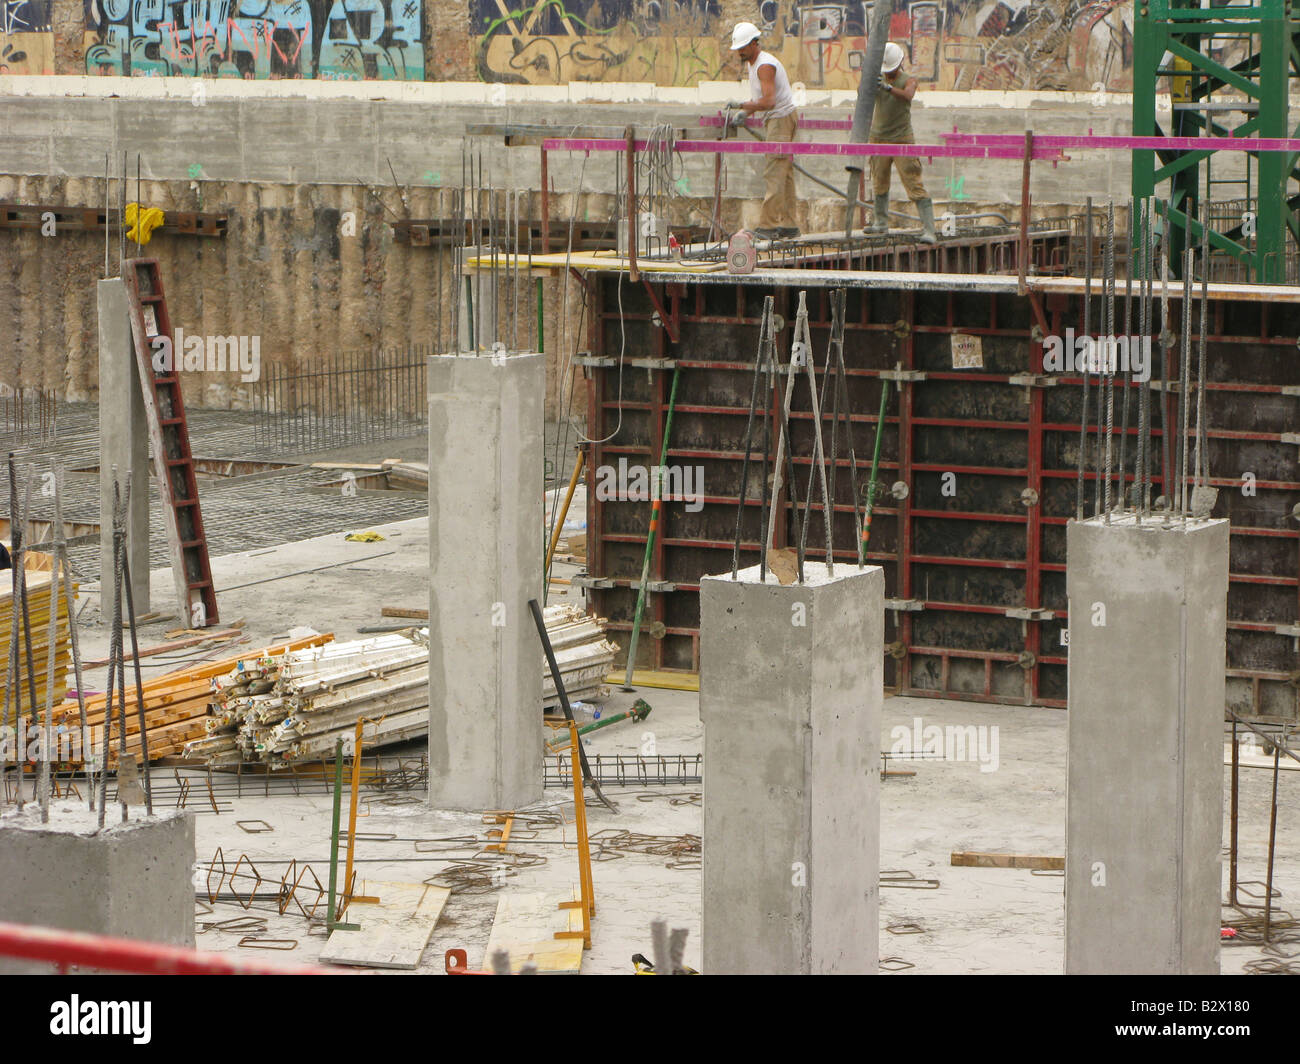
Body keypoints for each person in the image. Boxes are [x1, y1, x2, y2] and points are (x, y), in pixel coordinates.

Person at [728, 22, 799, 240]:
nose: (740, 51)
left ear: (754, 43)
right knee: (784, 174)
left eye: (743, 47)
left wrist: (741, 106)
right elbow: (764, 99)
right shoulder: (755, 63)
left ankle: (768, 226)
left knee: (774, 172)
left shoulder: (764, 66)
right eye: (738, 47)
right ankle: (789, 224)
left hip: (779, 119)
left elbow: (769, 101)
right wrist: (747, 113)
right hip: (780, 118)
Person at [869, 41, 936, 244]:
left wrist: (887, 87)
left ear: (899, 65)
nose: (887, 74)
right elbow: (861, 94)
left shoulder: (909, 80)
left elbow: (908, 95)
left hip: (901, 139)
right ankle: (880, 222)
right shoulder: (878, 77)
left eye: (890, 71)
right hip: (878, 138)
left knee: (913, 182)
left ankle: (929, 229)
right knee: (879, 181)